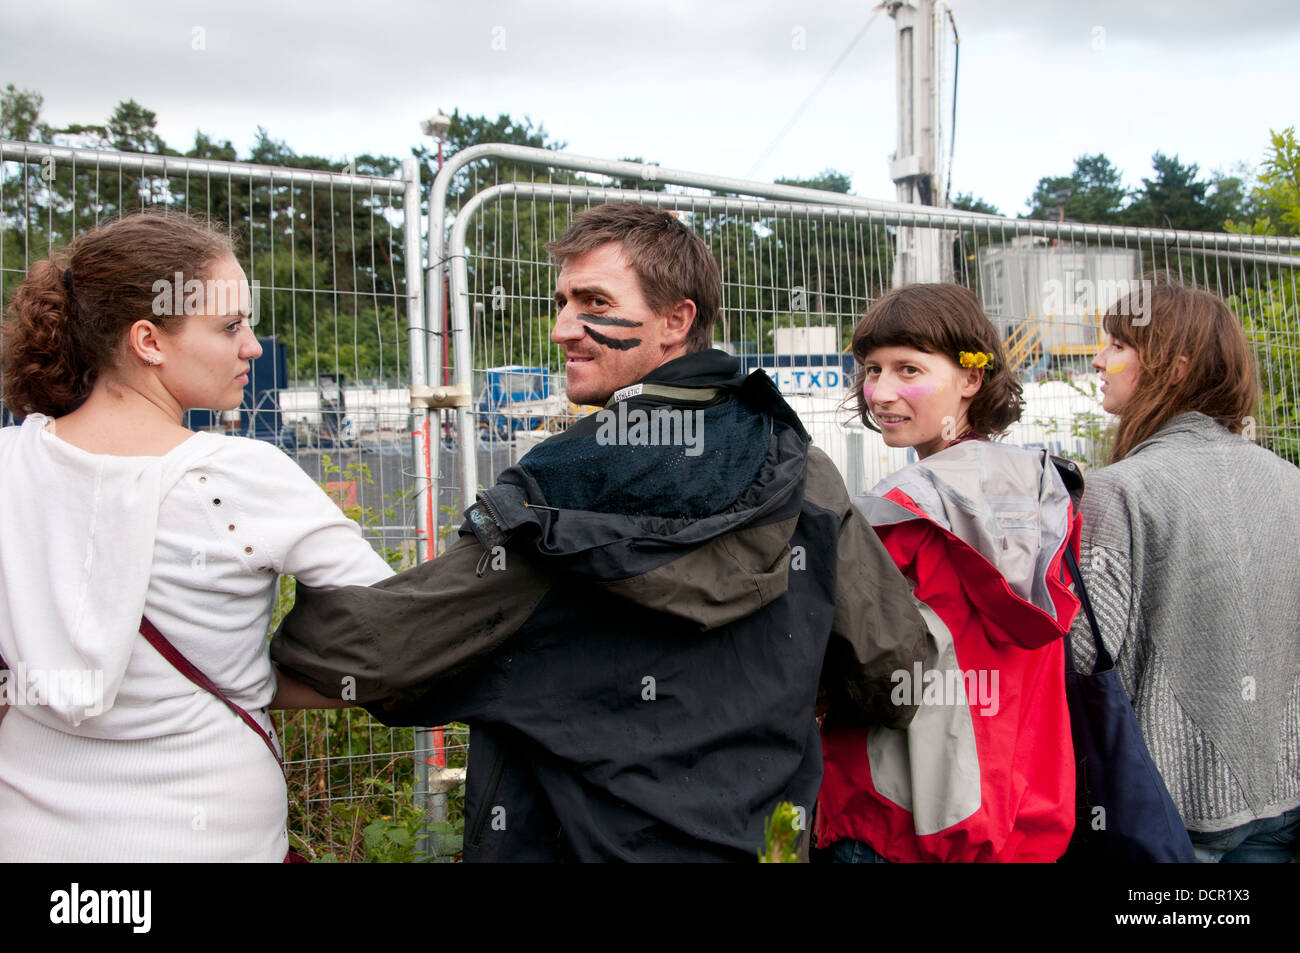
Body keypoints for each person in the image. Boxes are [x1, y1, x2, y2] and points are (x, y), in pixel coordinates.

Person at [271, 202, 929, 862]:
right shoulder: (806, 472)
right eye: (561, 302)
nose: (561, 328)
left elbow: (381, 651)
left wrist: (217, 647)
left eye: (592, 301)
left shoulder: (561, 491)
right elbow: (895, 666)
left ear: (677, 320)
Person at [0, 211, 394, 862]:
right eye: (231, 325)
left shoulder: (11, 462)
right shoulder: (243, 477)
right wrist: (257, 680)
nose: (254, 347)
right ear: (149, 340)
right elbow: (395, 632)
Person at [816, 283, 1083, 863]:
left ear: (971, 378)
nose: (881, 392)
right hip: (1023, 819)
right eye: (872, 370)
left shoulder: (894, 516)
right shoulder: (1047, 495)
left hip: (897, 814)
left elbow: (861, 665)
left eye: (908, 368)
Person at [1074, 282, 1300, 863]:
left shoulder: (1119, 489)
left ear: (1173, 369)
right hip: (1282, 796)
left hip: (1167, 812)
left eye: (1118, 344)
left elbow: (1080, 652)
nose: (1099, 359)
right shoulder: (1289, 482)